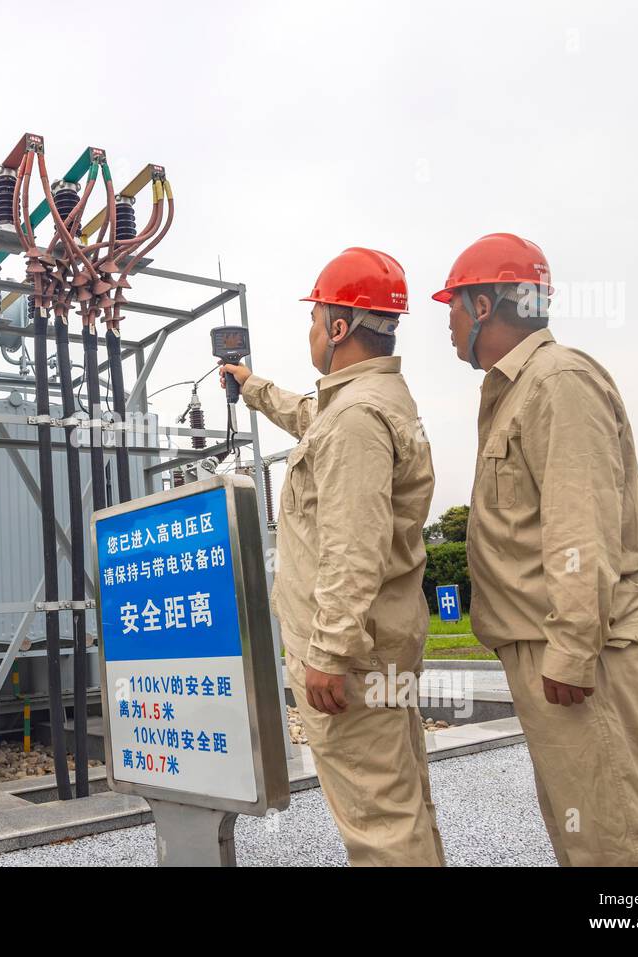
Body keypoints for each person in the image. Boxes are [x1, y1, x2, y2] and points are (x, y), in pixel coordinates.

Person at [433, 232, 638, 866]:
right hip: (547, 645)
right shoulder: (518, 390)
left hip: (577, 653)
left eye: (454, 306)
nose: (449, 321)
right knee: (589, 835)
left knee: (624, 839)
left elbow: (582, 527)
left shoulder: (558, 381)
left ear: (485, 307)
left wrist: (573, 650)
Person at [223, 247, 443, 866]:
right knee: (402, 806)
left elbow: (353, 547)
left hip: (350, 664)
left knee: (379, 824)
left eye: (316, 319)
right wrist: (252, 387)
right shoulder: (370, 402)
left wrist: (327, 652)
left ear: (340, 327)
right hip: (380, 647)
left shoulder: (356, 419)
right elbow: (311, 418)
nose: (312, 331)